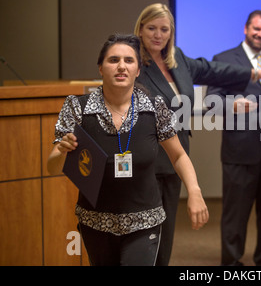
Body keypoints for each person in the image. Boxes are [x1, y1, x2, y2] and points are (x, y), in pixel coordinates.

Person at [133, 3, 261, 266]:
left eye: (164, 29)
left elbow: (214, 70)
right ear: (141, 29)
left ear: (171, 32)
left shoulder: (176, 59)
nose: (158, 35)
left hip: (176, 159)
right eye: (152, 28)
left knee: (165, 233)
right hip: (146, 159)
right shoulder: (133, 61)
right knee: (145, 232)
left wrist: (254, 73)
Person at [47, 33, 209, 266]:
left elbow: (178, 155)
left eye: (129, 60)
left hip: (145, 222)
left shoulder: (154, 107)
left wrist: (194, 191)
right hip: (95, 222)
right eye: (113, 60)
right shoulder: (77, 107)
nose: (121, 66)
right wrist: (61, 152)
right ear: (100, 68)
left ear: (138, 70)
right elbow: (52, 167)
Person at [206, 10, 261, 266]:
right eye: (256, 29)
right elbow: (212, 101)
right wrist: (233, 105)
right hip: (240, 150)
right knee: (235, 214)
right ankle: (232, 263)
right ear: (245, 29)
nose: (260, 34)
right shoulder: (223, 59)